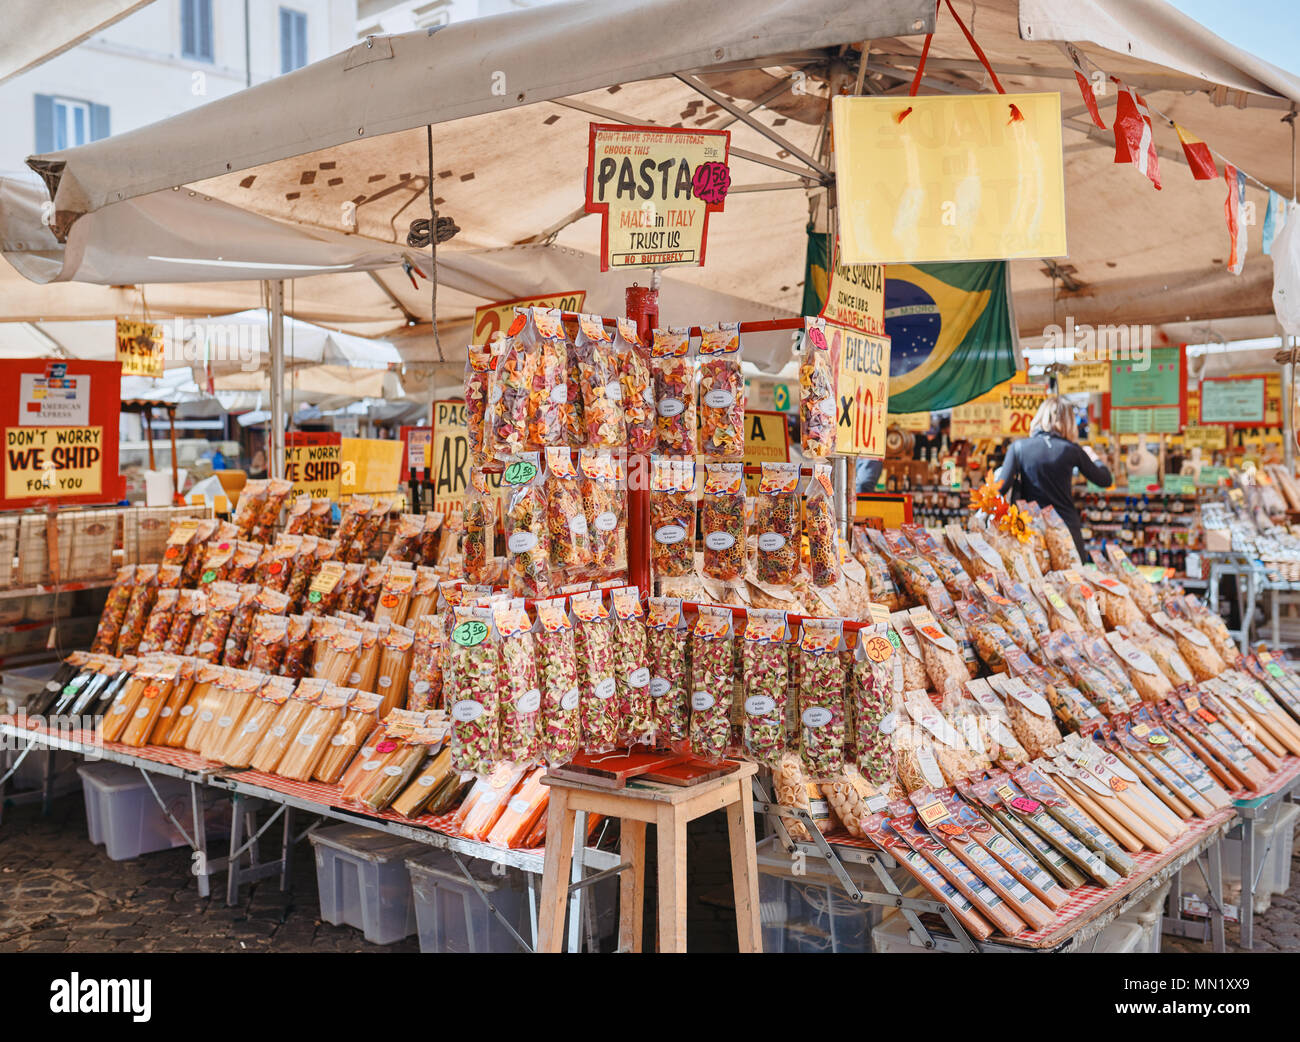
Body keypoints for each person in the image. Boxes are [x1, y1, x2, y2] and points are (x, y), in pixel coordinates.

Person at [997, 396, 1112, 559]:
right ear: (1069, 422)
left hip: (1031, 530)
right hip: (1065, 529)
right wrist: (1094, 458)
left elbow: (999, 488)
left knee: (1034, 581)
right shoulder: (1072, 450)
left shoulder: (1019, 448)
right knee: (1071, 579)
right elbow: (1105, 480)